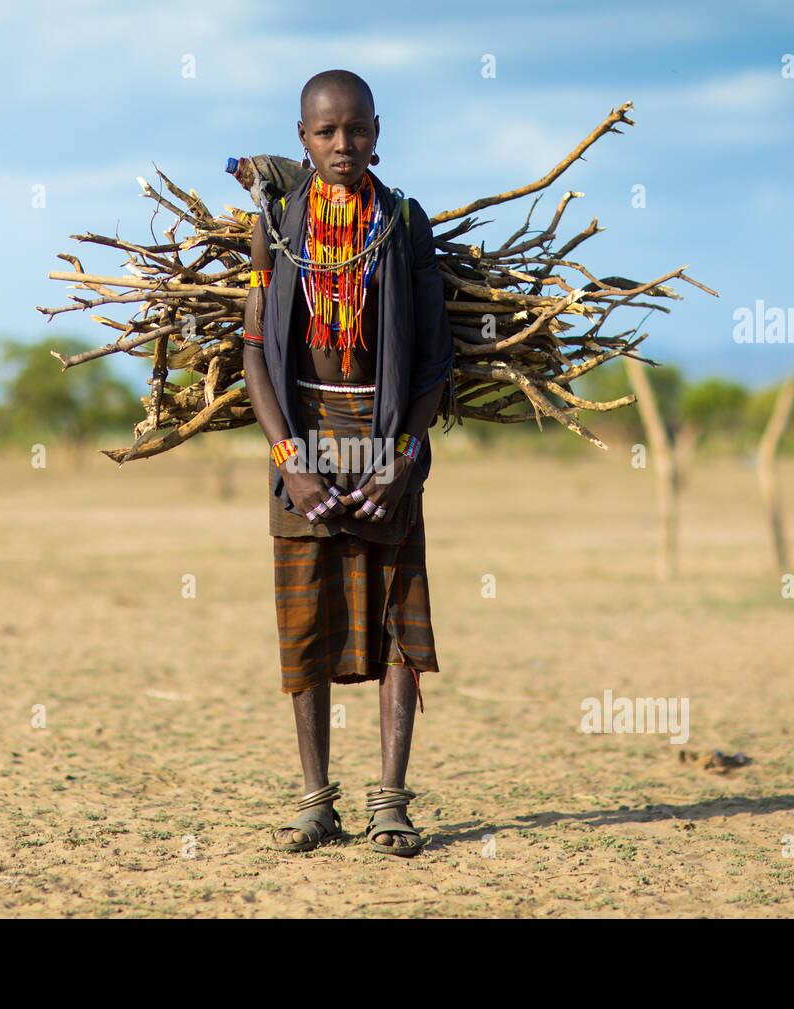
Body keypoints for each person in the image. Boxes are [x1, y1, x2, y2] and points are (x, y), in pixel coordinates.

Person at [241, 68, 457, 857]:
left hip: (386, 429)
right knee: (304, 621)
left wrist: (403, 454)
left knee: (400, 618)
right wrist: (289, 460)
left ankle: (391, 802)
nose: (343, 144)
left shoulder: (402, 222)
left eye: (356, 129)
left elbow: (436, 358)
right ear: (302, 138)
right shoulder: (275, 225)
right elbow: (256, 354)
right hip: (301, 436)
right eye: (326, 132)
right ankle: (315, 801)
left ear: (377, 130)